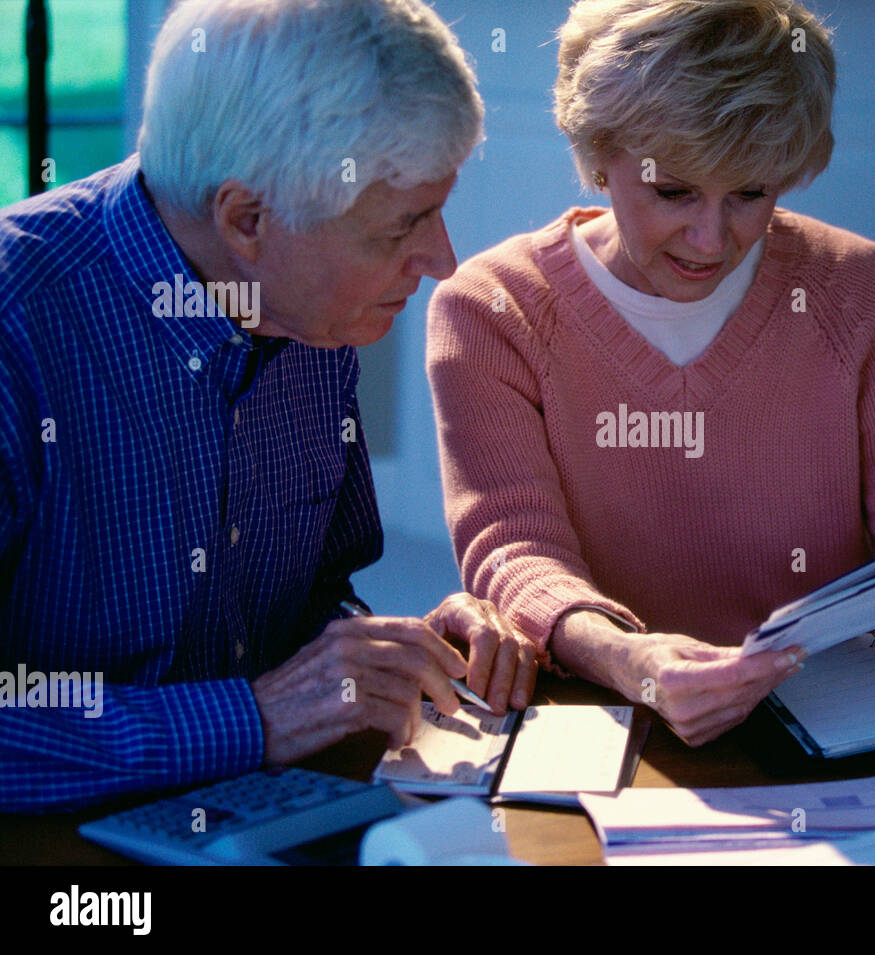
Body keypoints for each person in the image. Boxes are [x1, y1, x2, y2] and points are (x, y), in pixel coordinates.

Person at [427, 0, 875, 747]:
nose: (713, 240)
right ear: (598, 153)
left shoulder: (853, 285)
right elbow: (514, 553)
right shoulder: (493, 307)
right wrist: (633, 658)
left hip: (840, 728)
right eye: (673, 192)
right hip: (609, 721)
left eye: (751, 193)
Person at [0, 0, 536, 813]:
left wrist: (391, 652)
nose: (443, 260)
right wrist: (250, 720)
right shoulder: (18, 325)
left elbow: (304, 605)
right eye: (403, 226)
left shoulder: (310, 318)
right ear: (247, 220)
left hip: (260, 819)